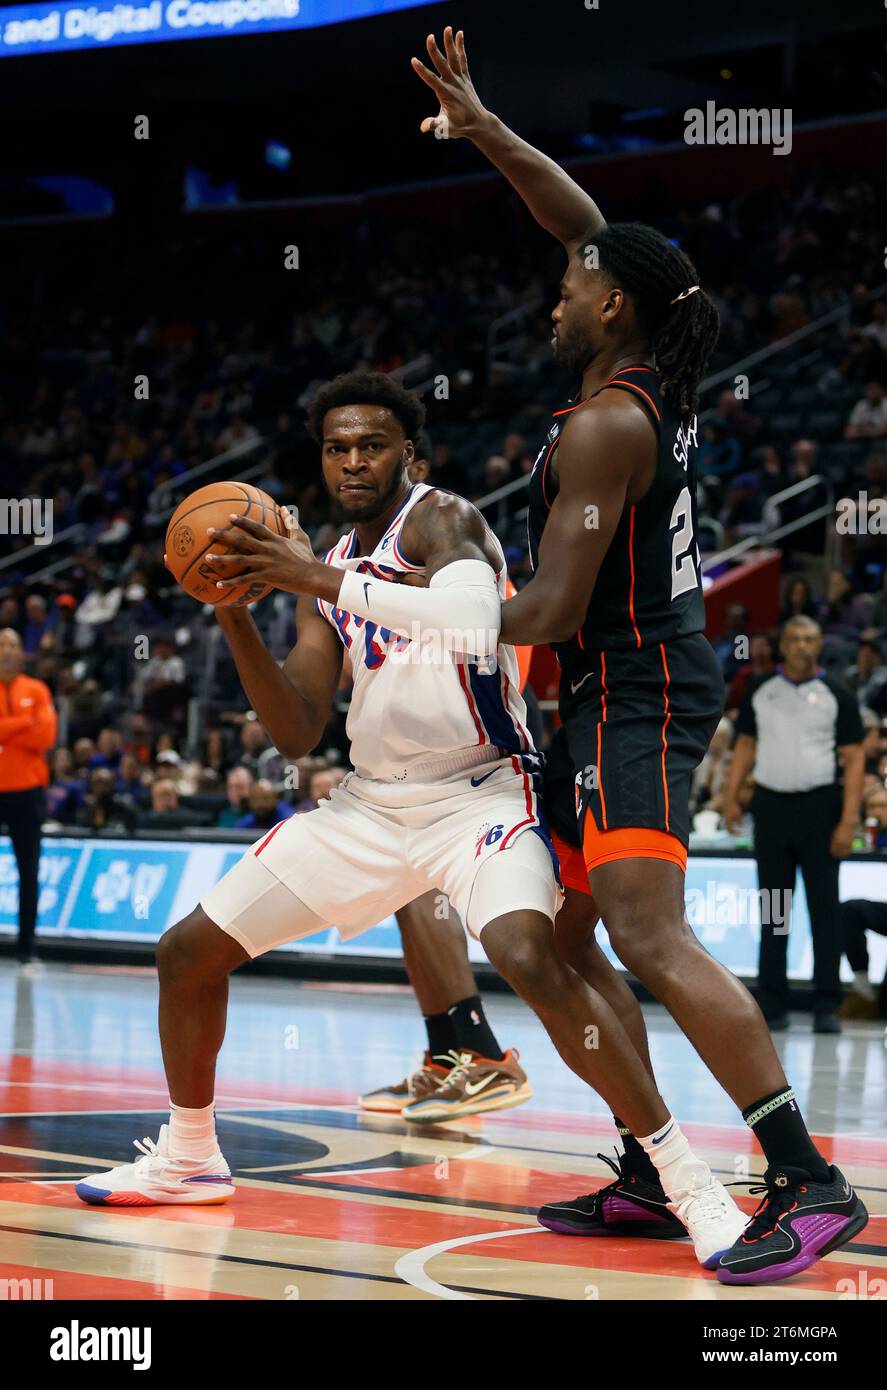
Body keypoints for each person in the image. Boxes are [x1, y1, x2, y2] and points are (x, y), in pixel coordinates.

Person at [77, 370, 745, 1270]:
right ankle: (192, 1156)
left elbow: (474, 622)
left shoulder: (442, 520)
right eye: (336, 447)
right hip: (369, 805)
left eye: (372, 444)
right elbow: (296, 726)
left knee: (525, 953)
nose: (353, 460)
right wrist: (236, 615)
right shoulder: (322, 579)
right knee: (186, 953)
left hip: (483, 795)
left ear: (408, 455)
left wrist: (305, 570)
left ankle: (687, 1183)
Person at [408, 25, 866, 1284]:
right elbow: (585, 224)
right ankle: (655, 1170)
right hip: (604, 691)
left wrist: (383, 599)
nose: (552, 292)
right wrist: (486, 124)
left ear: (608, 308)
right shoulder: (632, 366)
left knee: (648, 937)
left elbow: (549, 614)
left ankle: (808, 1178)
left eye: (569, 285)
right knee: (558, 948)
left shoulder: (609, 422)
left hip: (635, 688)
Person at [723, 616, 865, 1033]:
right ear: (782, 644)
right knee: (774, 909)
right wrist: (731, 796)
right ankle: (773, 998)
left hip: (821, 810)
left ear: (820, 644)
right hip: (771, 810)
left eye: (810, 639)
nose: (802, 645)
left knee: (824, 911)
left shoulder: (838, 692)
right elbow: (745, 745)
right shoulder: (761, 690)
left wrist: (848, 820)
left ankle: (826, 1002)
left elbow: (855, 758)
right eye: (795, 638)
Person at [0, 628, 57, 965]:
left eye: (13, 645)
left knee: (29, 871)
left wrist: (7, 728)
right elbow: (32, 731)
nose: (8, 651)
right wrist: (24, 723)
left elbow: (45, 736)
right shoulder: (32, 702)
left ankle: (27, 947)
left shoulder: (36, 689)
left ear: (22, 652)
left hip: (28, 793)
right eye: (2, 645)